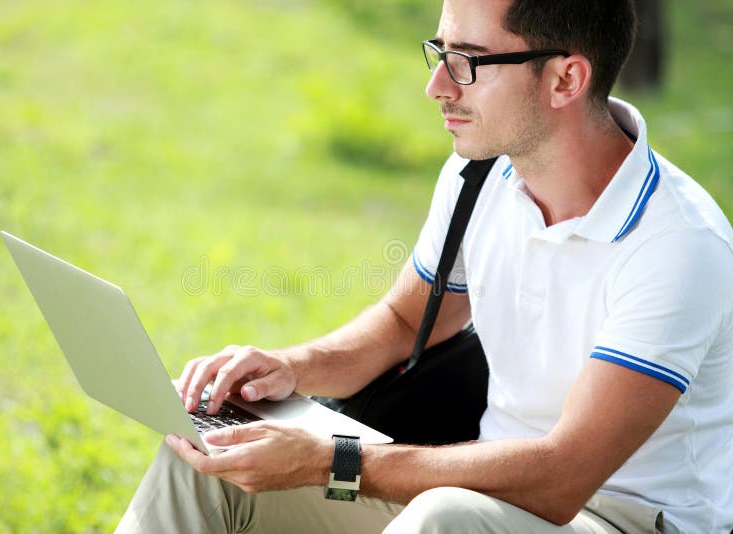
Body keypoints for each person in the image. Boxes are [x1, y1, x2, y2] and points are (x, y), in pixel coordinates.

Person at [117, 0, 733, 532]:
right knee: (208, 460)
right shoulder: (481, 173)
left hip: (615, 518)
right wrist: (287, 367)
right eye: (438, 51)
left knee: (444, 519)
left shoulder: (679, 246)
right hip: (474, 495)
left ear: (566, 79)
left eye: (467, 61)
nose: (438, 85)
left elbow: (563, 476)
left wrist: (326, 459)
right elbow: (403, 320)